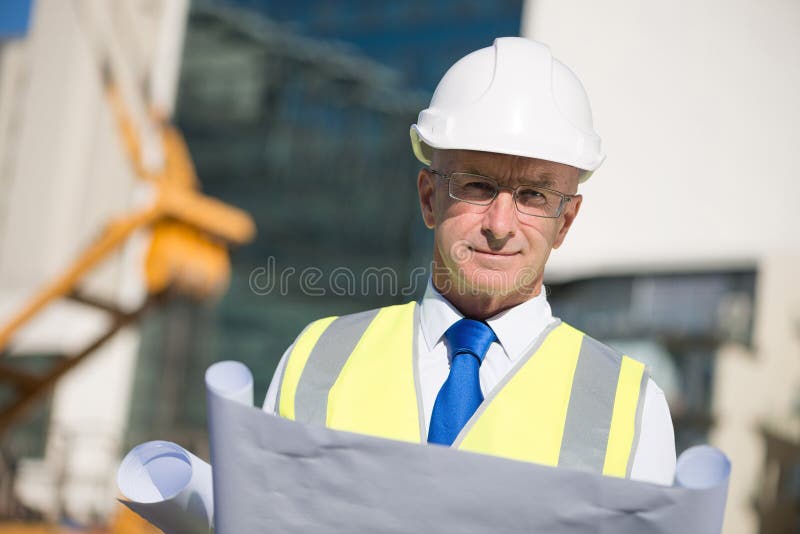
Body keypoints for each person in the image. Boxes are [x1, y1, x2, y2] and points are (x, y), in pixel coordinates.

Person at [262, 37, 676, 485]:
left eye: (534, 195)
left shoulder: (630, 410)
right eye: (476, 186)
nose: (499, 225)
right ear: (428, 198)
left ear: (566, 221)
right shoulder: (317, 359)